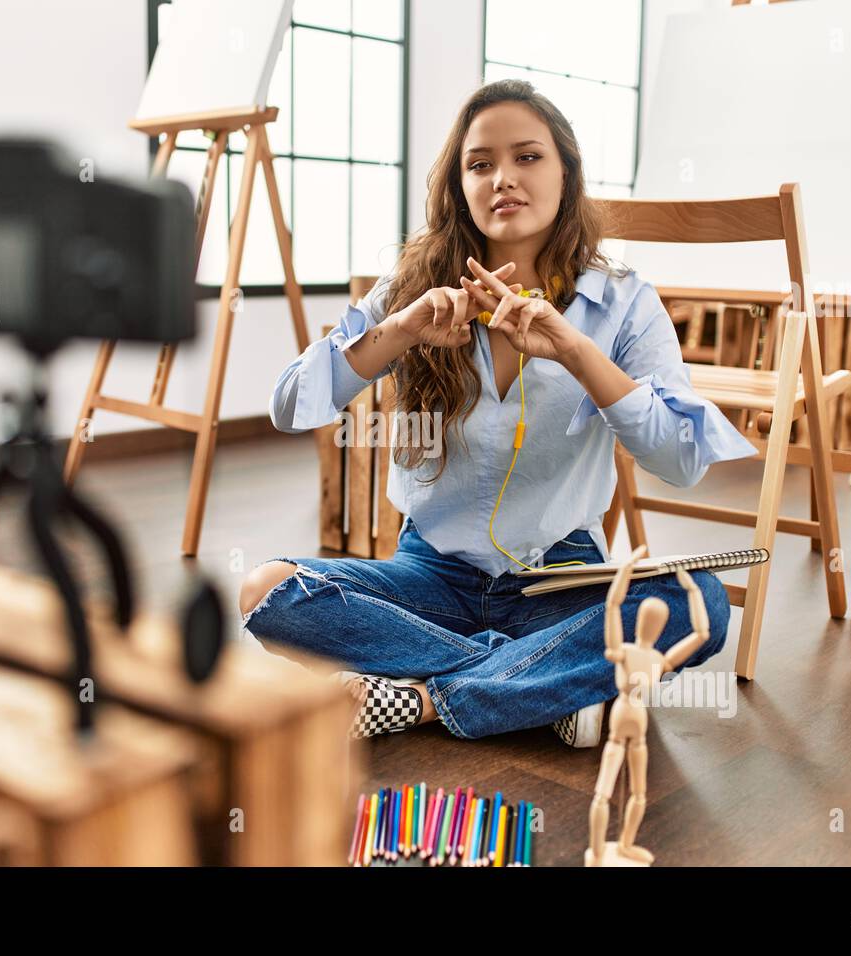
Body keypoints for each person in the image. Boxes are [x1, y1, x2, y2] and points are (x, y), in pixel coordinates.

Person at [238, 78, 755, 747]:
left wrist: (573, 350)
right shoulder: (413, 288)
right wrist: (399, 330)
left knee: (697, 603)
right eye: (480, 164)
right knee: (266, 589)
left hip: (561, 582)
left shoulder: (626, 302)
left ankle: (422, 697)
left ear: (567, 173)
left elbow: (680, 461)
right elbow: (292, 404)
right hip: (432, 576)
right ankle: (545, 687)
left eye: (528, 157)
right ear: (460, 187)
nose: (503, 178)